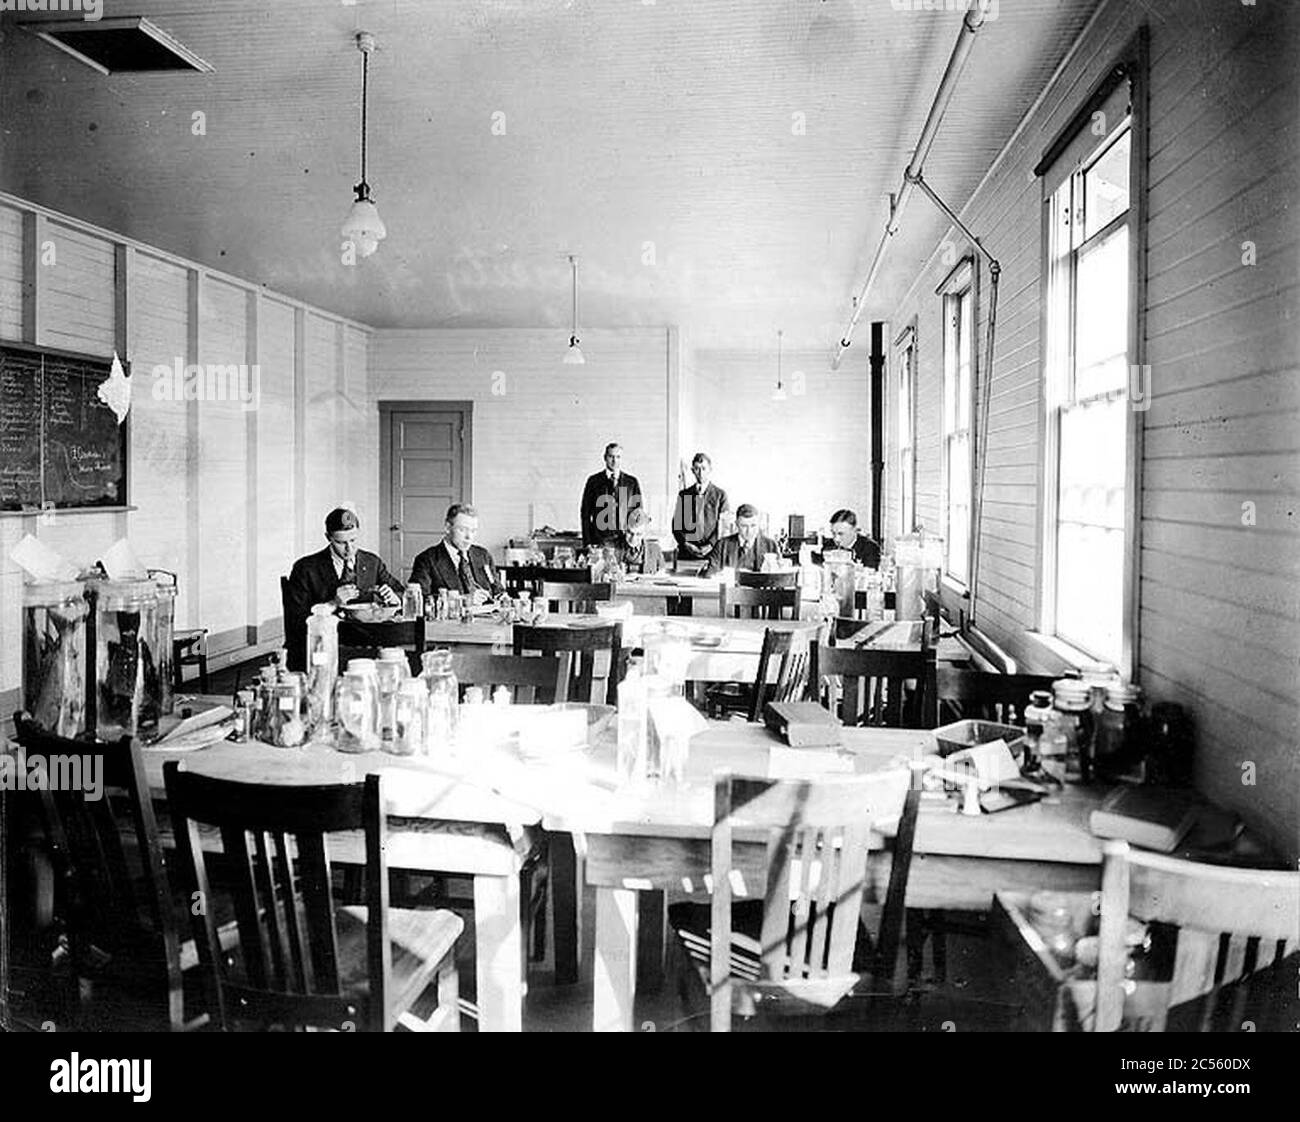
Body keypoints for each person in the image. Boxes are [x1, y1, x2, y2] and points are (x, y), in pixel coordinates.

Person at [283, 507, 403, 669]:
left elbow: (401, 592)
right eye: (341, 543)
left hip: (366, 646)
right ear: (328, 538)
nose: (349, 549)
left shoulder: (371, 562)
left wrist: (394, 598)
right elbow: (296, 621)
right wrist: (334, 603)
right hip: (322, 648)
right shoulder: (306, 568)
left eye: (353, 540)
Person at [409, 503, 505, 604]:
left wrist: (502, 597)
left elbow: (497, 590)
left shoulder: (483, 555)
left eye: (473, 531)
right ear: (447, 527)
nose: (469, 537)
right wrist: (464, 600)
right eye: (462, 530)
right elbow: (420, 600)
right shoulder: (427, 559)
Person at [580, 442, 642, 550]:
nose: (614, 460)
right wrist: (588, 542)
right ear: (605, 458)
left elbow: (638, 515)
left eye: (618, 457)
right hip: (599, 542)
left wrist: (635, 541)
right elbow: (585, 514)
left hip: (625, 543)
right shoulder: (593, 482)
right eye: (611, 456)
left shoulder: (632, 483)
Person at [672, 452, 730, 565]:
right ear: (692, 470)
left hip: (712, 554)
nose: (701, 473)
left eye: (704, 468)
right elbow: (676, 525)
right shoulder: (684, 495)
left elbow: (723, 527)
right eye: (697, 469)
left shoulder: (720, 495)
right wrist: (686, 543)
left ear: (710, 470)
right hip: (687, 554)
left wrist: (710, 545)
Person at [702, 503, 780, 577]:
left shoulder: (771, 545)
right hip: (731, 590)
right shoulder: (722, 545)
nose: (749, 531)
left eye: (753, 526)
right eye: (744, 526)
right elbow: (710, 573)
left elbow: (779, 576)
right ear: (736, 524)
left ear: (758, 524)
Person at [813, 509, 882, 569]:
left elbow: (869, 576)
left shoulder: (870, 548)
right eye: (833, 533)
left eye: (841, 534)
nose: (836, 539)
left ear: (854, 530)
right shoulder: (828, 546)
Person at [614, 508, 663, 575]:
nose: (633, 539)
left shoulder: (655, 550)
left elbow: (662, 576)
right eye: (629, 533)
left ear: (645, 533)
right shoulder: (612, 549)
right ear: (624, 530)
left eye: (638, 534)